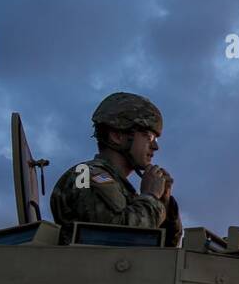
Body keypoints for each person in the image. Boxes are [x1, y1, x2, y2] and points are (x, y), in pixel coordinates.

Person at [50, 92, 183, 246]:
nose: (155, 146)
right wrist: (151, 197)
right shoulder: (84, 176)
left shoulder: (122, 188)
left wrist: (165, 204)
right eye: (148, 137)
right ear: (117, 136)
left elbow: (163, 249)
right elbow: (119, 240)